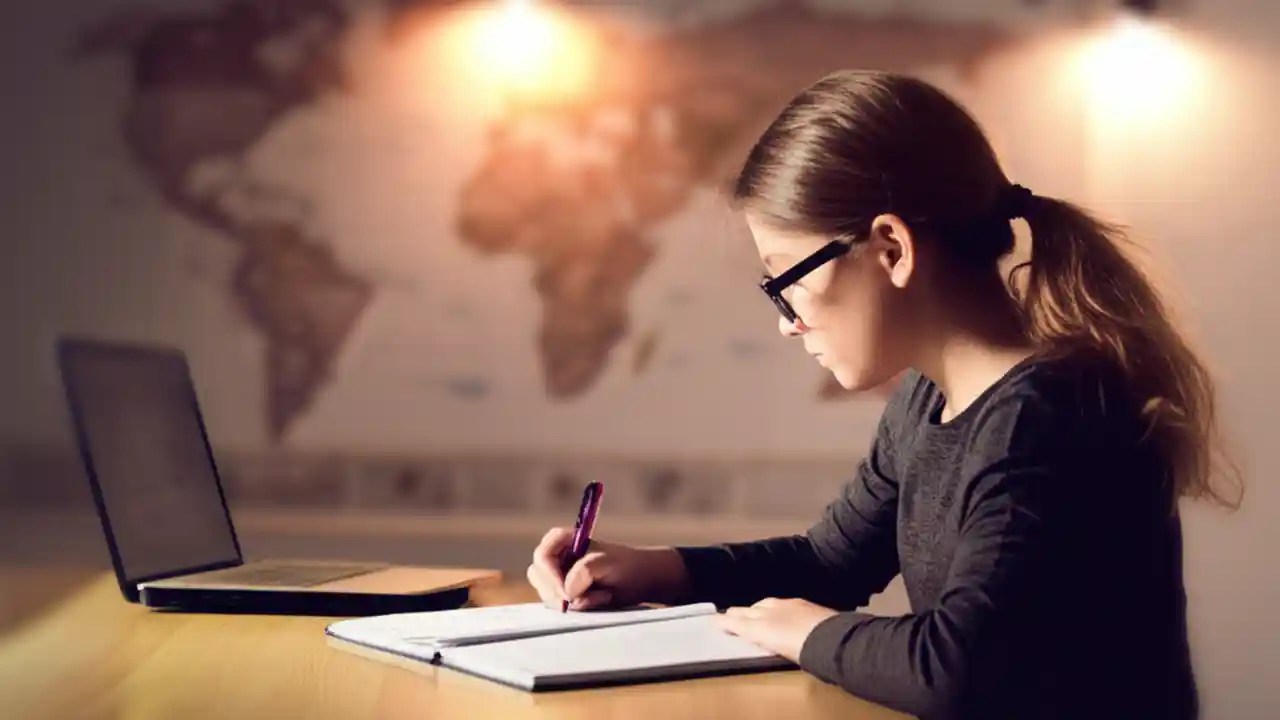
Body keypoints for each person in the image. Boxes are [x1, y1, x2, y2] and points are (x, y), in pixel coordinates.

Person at [525, 71, 1240, 720]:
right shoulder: (927, 401)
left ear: (891, 249)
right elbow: (831, 563)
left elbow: (957, 668)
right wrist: (656, 569)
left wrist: (807, 632)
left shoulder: (1048, 416)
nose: (787, 321)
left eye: (786, 278)